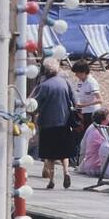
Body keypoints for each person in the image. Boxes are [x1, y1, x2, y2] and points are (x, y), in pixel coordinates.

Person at [32, 57, 76, 189]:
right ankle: (66, 172)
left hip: (47, 123)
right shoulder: (65, 82)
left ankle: (51, 180)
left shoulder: (44, 86)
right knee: (64, 153)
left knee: (49, 154)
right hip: (64, 122)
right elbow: (75, 100)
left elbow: (36, 104)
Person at [76, 108, 109, 176]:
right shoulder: (98, 132)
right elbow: (107, 149)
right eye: (108, 115)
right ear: (103, 119)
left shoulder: (96, 128)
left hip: (89, 164)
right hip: (94, 167)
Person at [72, 60, 101, 133]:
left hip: (92, 112)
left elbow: (99, 100)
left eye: (77, 73)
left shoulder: (91, 82)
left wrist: (84, 105)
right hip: (84, 112)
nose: (76, 75)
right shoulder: (80, 81)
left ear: (83, 72)